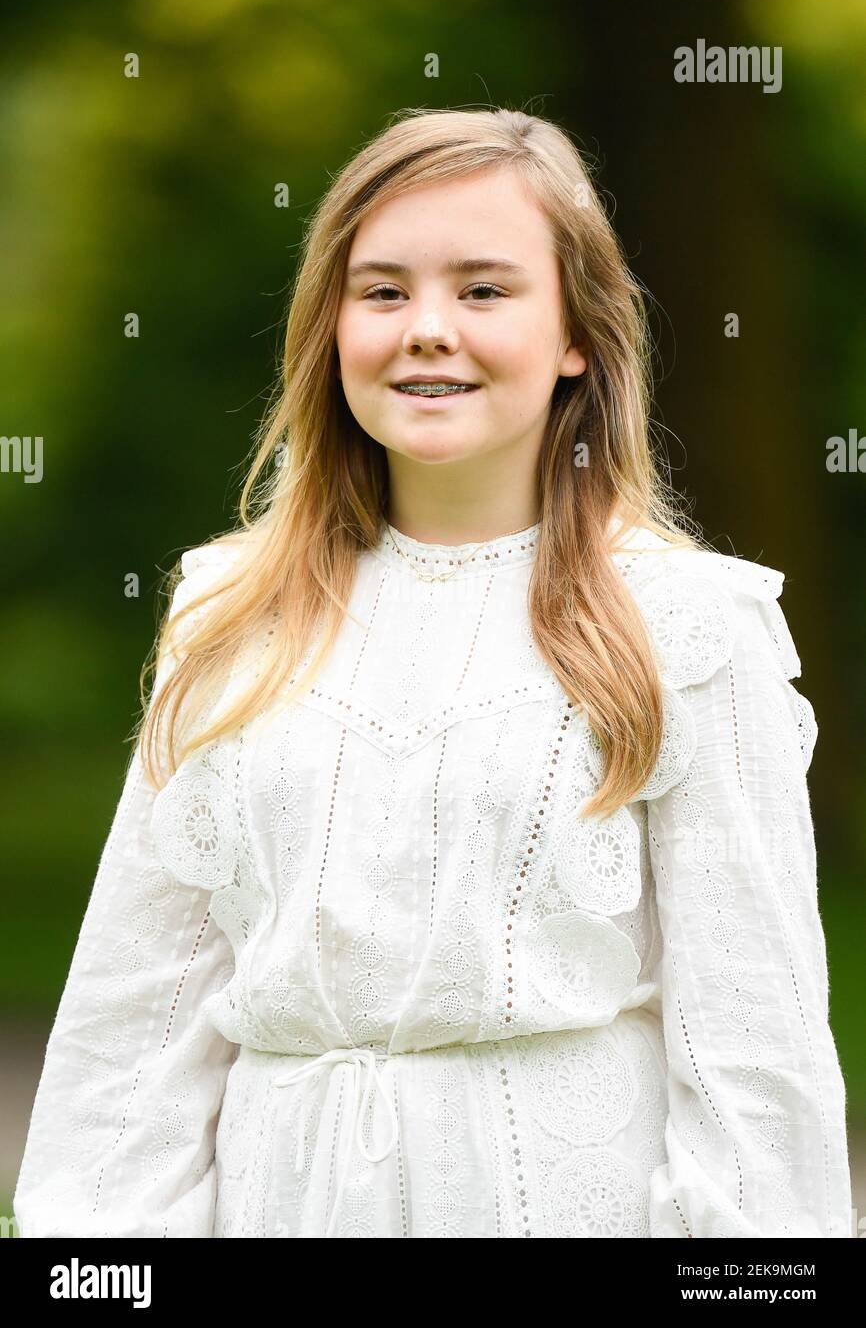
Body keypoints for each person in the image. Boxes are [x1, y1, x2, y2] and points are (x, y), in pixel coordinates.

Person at [13, 107, 853, 1238]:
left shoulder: (685, 623)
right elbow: (137, 1008)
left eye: (484, 289)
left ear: (576, 335)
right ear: (331, 327)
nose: (427, 329)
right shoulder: (227, 612)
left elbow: (755, 1038)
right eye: (384, 290)